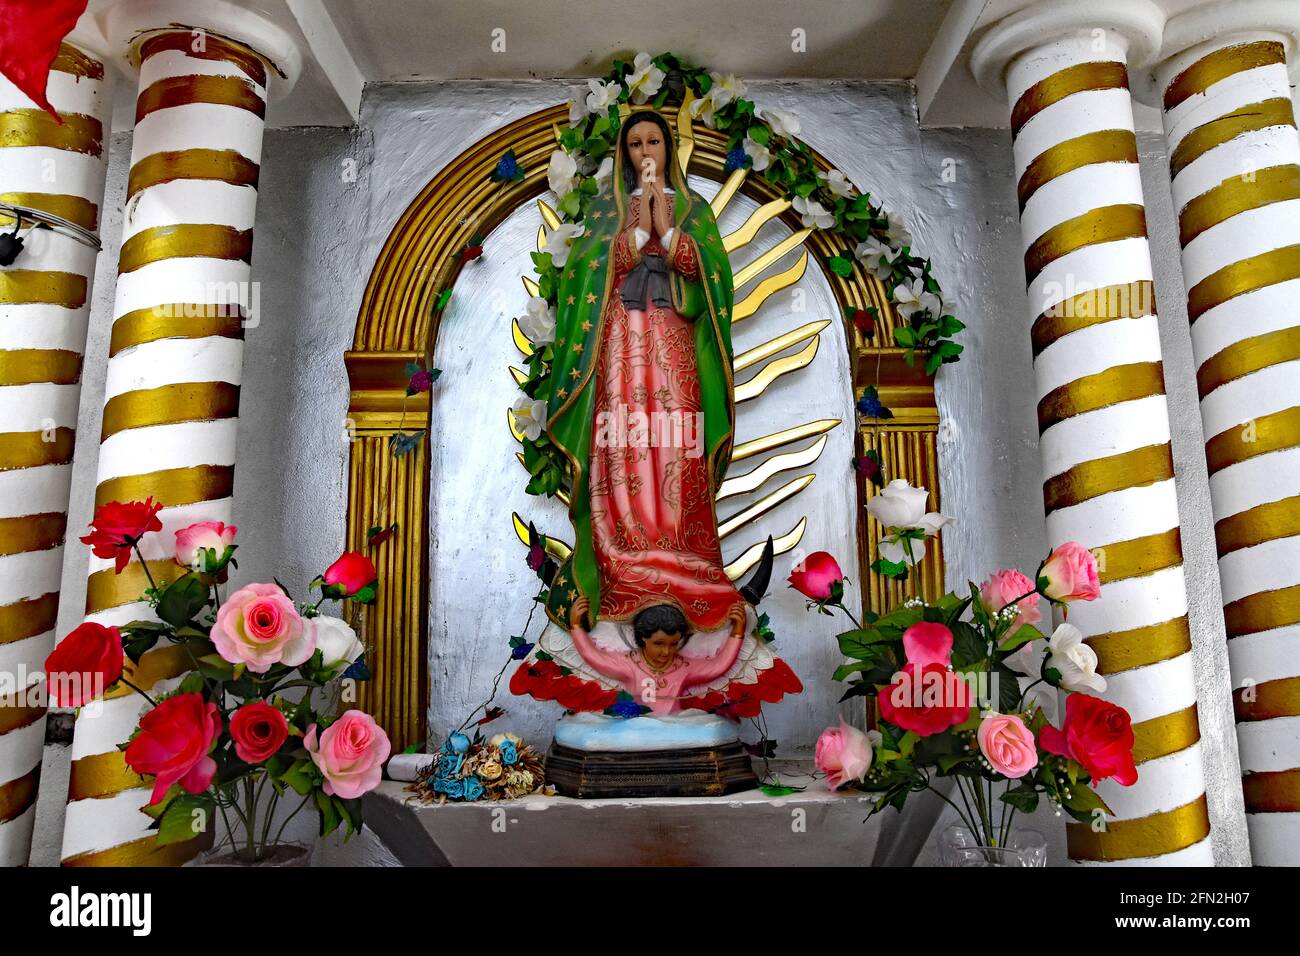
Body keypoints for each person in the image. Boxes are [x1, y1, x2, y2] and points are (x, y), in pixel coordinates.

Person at [541, 109, 745, 635]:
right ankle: (625, 552)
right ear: (623, 154)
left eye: (654, 140)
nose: (645, 151)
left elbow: (714, 279)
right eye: (635, 143)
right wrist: (631, 240)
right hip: (621, 345)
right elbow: (584, 277)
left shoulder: (696, 212)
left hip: (675, 345)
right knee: (624, 442)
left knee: (676, 444)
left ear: (669, 146)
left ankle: (677, 551)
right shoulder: (604, 212)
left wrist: (671, 231)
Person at [565, 597, 745, 716]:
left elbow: (718, 666)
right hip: (635, 734)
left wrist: (737, 633)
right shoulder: (629, 663)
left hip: (676, 732)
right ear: (643, 638)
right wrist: (576, 626)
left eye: (673, 644)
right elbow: (595, 658)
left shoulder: (683, 667)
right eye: (659, 644)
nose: (666, 652)